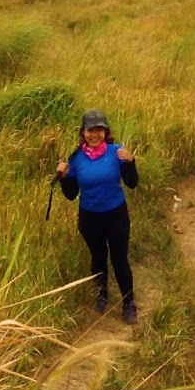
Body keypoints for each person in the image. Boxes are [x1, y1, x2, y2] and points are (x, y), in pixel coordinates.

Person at [55, 108, 139, 323]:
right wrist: (64, 177)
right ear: (83, 132)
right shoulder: (76, 159)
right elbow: (71, 195)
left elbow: (132, 183)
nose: (95, 134)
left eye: (99, 130)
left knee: (119, 259)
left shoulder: (117, 152)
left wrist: (131, 162)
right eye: (90, 130)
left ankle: (128, 303)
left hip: (116, 215)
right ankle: (101, 295)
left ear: (105, 132)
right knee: (98, 257)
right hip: (90, 219)